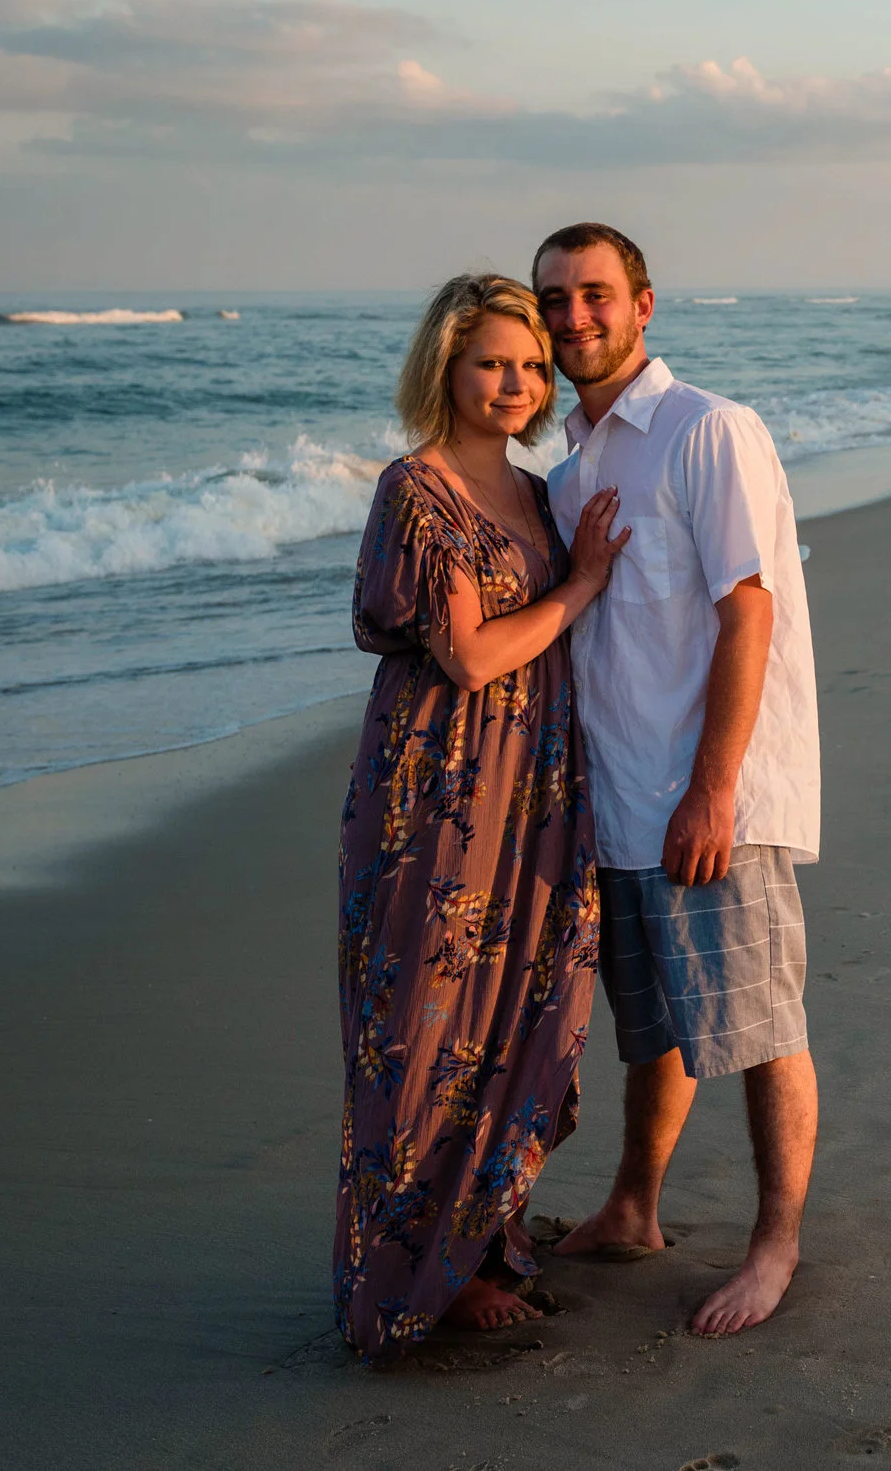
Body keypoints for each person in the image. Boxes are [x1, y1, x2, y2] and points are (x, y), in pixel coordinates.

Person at [533, 222, 822, 1338]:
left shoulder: (708, 431)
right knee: (653, 1028)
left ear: (644, 304)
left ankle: (774, 1245)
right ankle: (634, 1206)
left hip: (710, 802)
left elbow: (747, 607)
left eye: (595, 295)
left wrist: (714, 788)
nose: (573, 318)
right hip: (619, 804)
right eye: (554, 299)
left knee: (757, 1025)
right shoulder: (573, 467)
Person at [333, 273, 628, 1359]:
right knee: (425, 1017)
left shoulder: (536, 490)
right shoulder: (418, 490)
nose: (514, 382)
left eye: (529, 364)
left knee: (515, 1005)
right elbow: (467, 654)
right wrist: (582, 585)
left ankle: (484, 1240)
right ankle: (421, 1270)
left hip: (535, 779)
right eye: (491, 362)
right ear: (446, 370)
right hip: (444, 790)